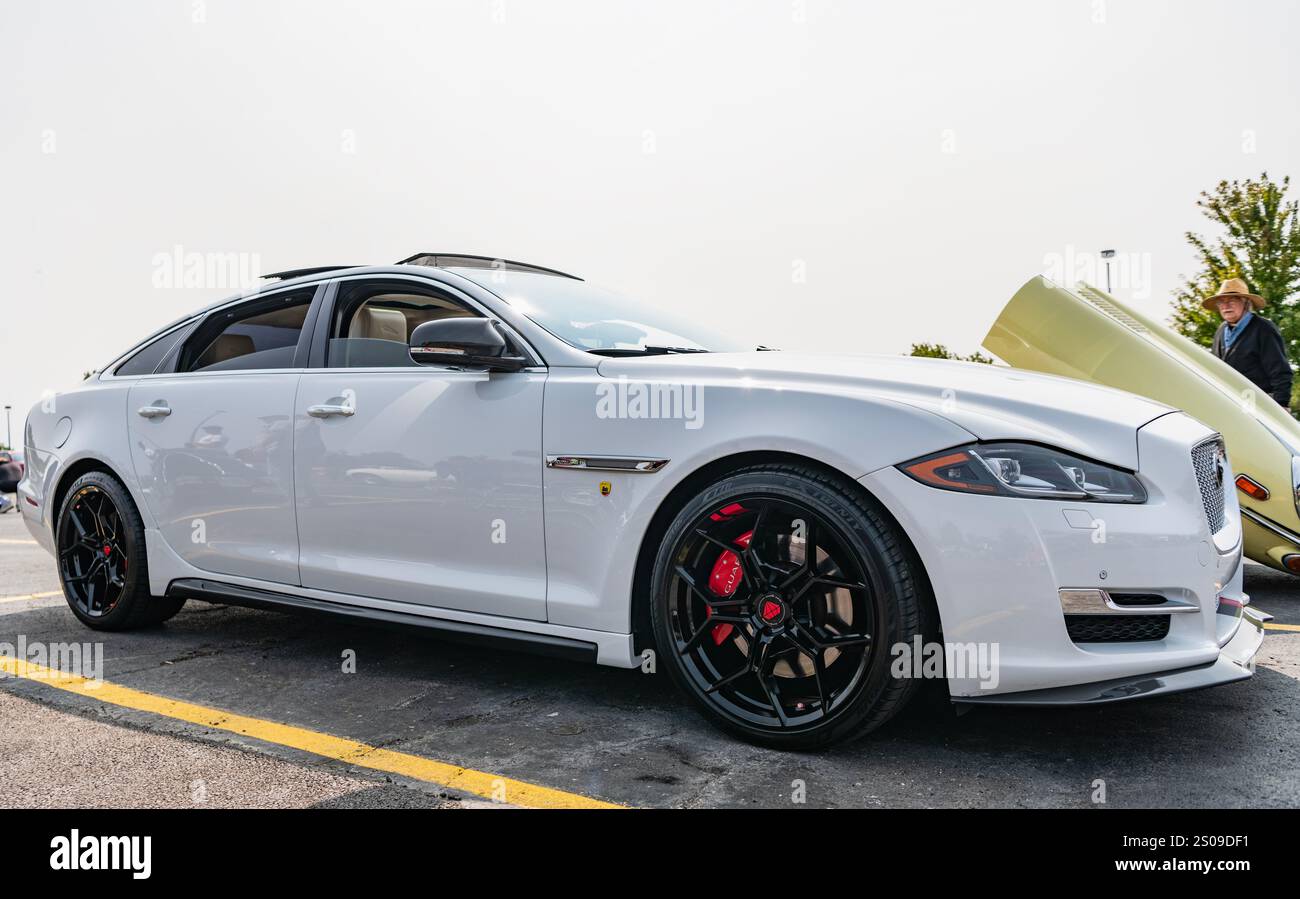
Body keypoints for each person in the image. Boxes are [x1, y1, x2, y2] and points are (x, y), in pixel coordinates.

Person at [1206, 277, 1293, 410]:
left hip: (1261, 404)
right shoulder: (1221, 331)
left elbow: (1281, 371)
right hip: (1230, 403)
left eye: (1232, 300)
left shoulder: (1264, 328)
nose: (1226, 306)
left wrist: (1281, 405)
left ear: (1245, 302)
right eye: (1221, 302)